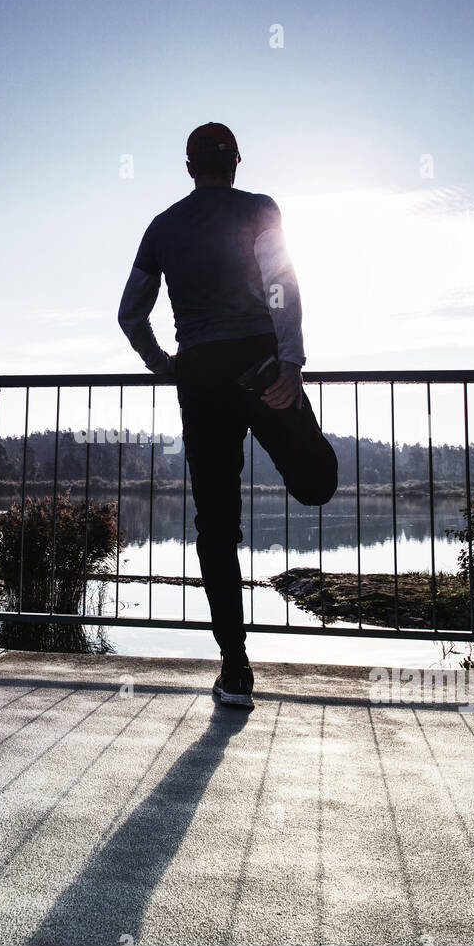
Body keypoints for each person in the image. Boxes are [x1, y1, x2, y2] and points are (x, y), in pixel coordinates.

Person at [117, 122, 339, 709]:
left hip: (199, 374)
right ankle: (234, 664)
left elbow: (129, 314)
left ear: (189, 168)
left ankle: (234, 669)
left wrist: (162, 363)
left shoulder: (162, 227)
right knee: (317, 484)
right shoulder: (260, 209)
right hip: (258, 364)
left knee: (216, 524)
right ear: (237, 162)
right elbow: (279, 285)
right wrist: (288, 362)